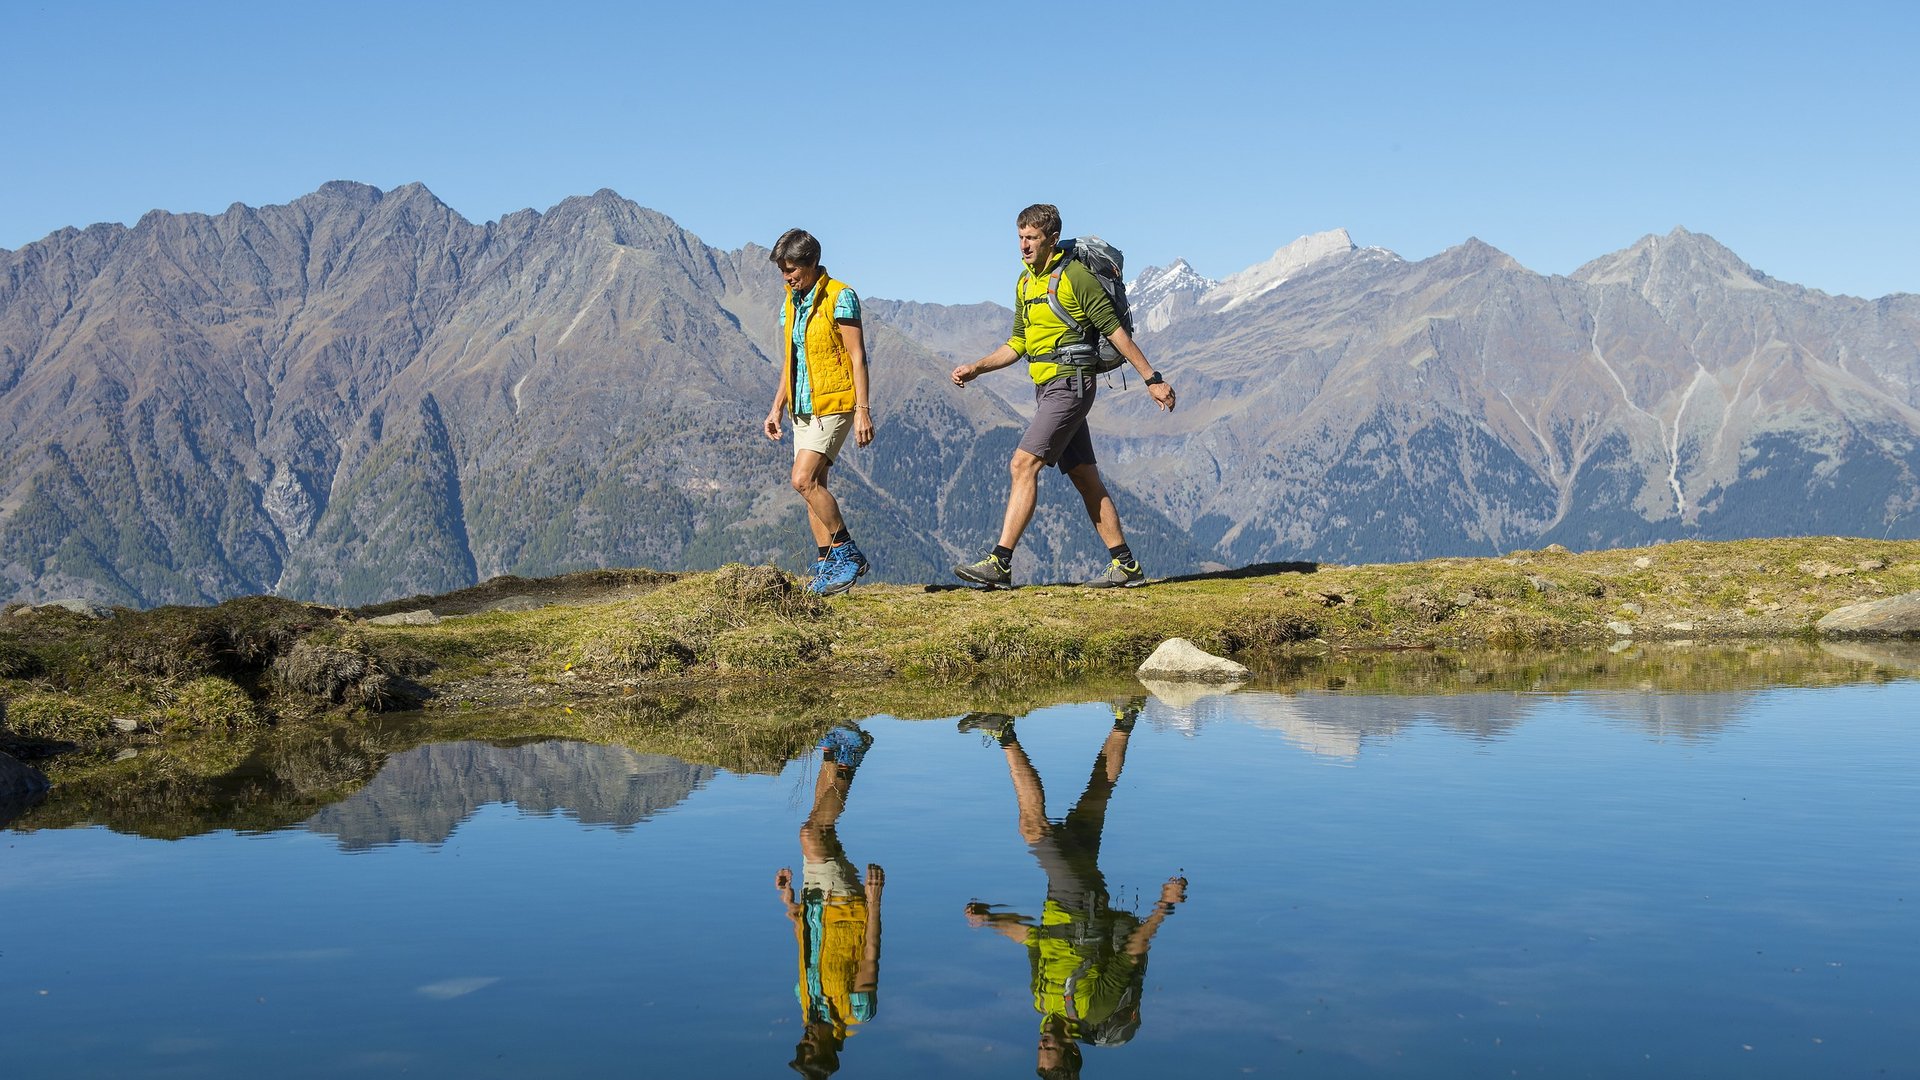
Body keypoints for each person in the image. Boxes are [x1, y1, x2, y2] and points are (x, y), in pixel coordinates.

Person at [950, 204, 1176, 589]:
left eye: (1032, 238)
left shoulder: (1074, 278)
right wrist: (978, 367)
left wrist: (1152, 378)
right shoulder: (1025, 283)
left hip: (1070, 384)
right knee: (1085, 477)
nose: (1024, 245)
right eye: (1020, 236)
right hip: (1047, 388)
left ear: (1052, 240)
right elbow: (1018, 342)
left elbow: (1117, 332)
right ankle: (1126, 566)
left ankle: (1000, 563)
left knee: (1023, 465)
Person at [958, 704, 1187, 1079]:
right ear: (1071, 1053)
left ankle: (1125, 718)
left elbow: (1034, 939)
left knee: (1096, 795)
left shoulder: (1042, 1003)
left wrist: (991, 920)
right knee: (1034, 830)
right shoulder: (1093, 1010)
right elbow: (1131, 952)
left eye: (1039, 1050)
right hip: (1083, 904)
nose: (1043, 1043)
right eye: (1050, 1050)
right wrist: (1164, 905)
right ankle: (1004, 734)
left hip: (1059, 898)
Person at [764, 229, 874, 596]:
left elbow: (857, 356)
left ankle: (848, 553)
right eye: (782, 269)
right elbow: (791, 360)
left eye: (792, 268)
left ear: (812, 264)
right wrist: (777, 407)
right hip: (802, 406)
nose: (786, 276)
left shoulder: (840, 297)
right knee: (814, 487)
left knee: (802, 479)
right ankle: (828, 563)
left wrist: (863, 410)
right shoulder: (792, 302)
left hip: (836, 402)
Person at [776, 727, 884, 1078]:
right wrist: (875, 900)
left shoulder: (805, 1002)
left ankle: (831, 751)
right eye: (810, 1048)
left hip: (811, 900)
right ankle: (851, 755)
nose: (804, 1040)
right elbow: (871, 954)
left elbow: (806, 946)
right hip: (846, 906)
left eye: (800, 1047)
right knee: (812, 833)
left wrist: (788, 902)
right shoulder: (857, 1011)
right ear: (827, 1050)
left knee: (819, 825)